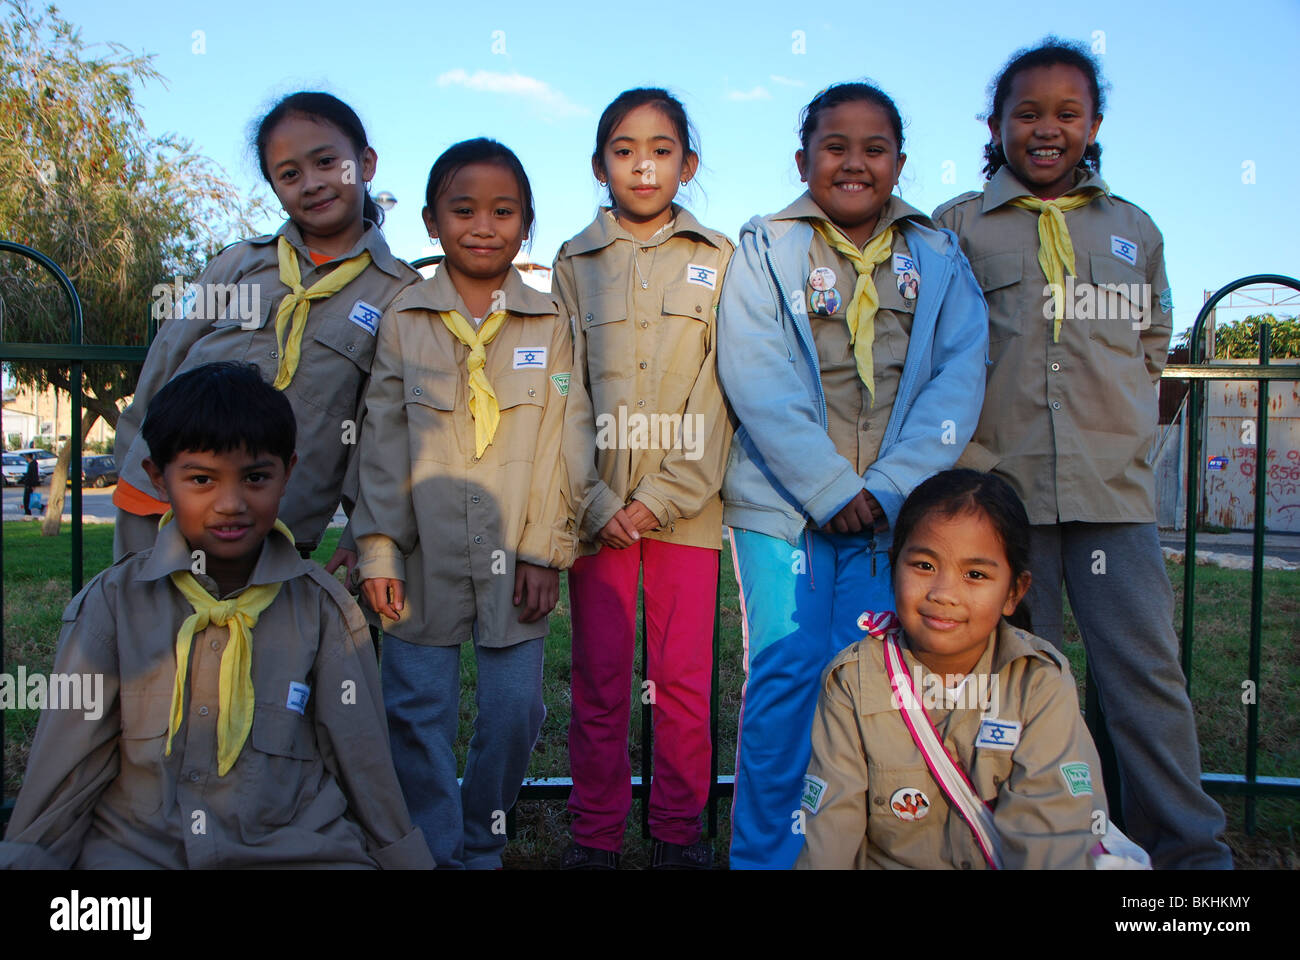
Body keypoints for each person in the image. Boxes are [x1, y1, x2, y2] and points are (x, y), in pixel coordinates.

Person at [933, 37, 1232, 869]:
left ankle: (1188, 852)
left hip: (1112, 494)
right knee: (1014, 680)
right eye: (1027, 112)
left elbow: (1151, 340)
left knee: (1146, 678)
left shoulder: (1135, 229)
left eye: (1067, 112)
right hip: (1001, 498)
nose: (1047, 128)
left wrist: (1123, 423)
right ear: (994, 125)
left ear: (1094, 123)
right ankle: (1020, 842)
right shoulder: (958, 228)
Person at [0, 362, 431, 869]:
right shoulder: (112, 606)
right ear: (159, 479)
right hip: (140, 853)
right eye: (201, 479)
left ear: (287, 473)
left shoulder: (323, 612)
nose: (231, 503)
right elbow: (68, 768)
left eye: (255, 478)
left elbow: (364, 762)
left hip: (294, 852)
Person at [717, 81, 989, 869]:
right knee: (785, 678)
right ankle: (765, 855)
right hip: (782, 509)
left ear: (900, 162)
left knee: (870, 684)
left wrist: (891, 488)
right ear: (803, 159)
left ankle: (851, 852)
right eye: (835, 147)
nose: (854, 163)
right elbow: (756, 373)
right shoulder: (767, 247)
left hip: (890, 519)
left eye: (874, 149)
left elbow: (957, 375)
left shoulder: (938, 256)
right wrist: (831, 488)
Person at [353, 138, 574, 869]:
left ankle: (484, 838)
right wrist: (378, 548)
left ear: (527, 223)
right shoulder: (404, 319)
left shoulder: (550, 323)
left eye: (504, 210)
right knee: (415, 712)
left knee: (516, 712)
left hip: (518, 555)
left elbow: (563, 442)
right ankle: (433, 847)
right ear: (431, 219)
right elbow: (382, 445)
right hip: (421, 558)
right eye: (464, 209)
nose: (484, 225)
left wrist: (545, 549)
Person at [113, 91, 420, 571]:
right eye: (290, 174)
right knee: (150, 636)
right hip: (164, 502)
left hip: (277, 520)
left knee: (262, 639)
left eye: (326, 162)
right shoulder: (237, 263)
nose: (312, 183)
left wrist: (364, 529)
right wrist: (134, 466)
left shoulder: (399, 294)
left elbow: (378, 424)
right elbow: (167, 356)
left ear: (365, 163)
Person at [554, 88, 734, 870]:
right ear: (600, 165)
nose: (643, 165)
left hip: (683, 517)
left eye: (661, 150)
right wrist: (595, 502)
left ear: (687, 164)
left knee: (682, 686)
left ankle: (677, 835)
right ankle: (594, 835)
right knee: (598, 685)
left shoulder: (721, 258)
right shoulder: (573, 260)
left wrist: (661, 498)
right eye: (624, 150)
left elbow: (723, 386)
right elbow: (562, 387)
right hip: (596, 518)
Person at [796, 469, 1109, 869]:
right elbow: (830, 837)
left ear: (1014, 591)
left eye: (975, 575)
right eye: (924, 565)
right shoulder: (851, 682)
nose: (944, 593)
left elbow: (1050, 841)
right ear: (893, 568)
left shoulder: (1039, 682)